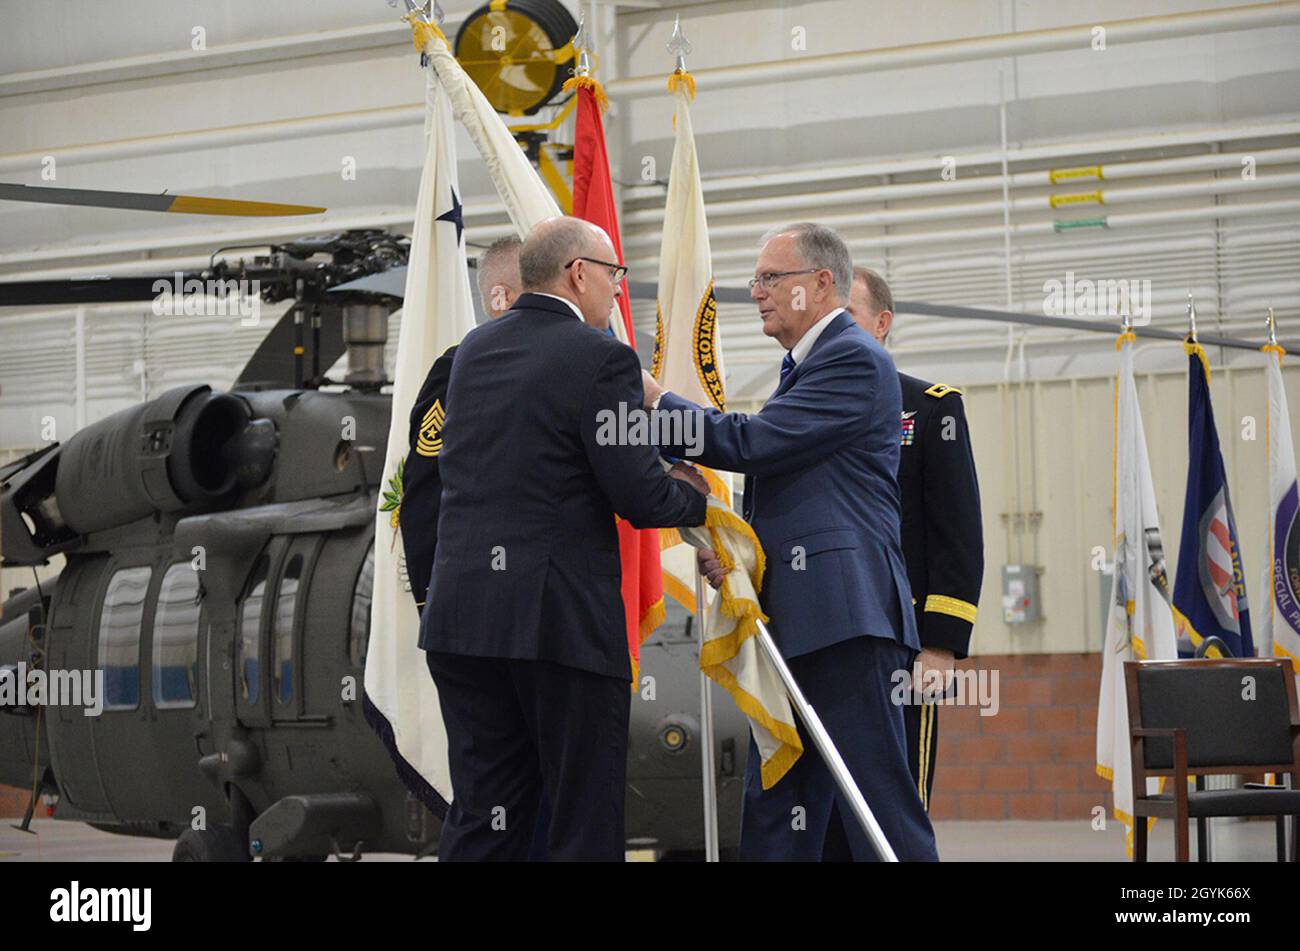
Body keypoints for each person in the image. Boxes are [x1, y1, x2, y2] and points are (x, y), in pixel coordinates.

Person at [643, 222, 938, 861]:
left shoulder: (852, 357)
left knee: (876, 806)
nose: (757, 293)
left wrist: (653, 399)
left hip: (842, 617)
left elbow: (752, 444)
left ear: (822, 282)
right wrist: (741, 560)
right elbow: (799, 495)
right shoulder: (805, 369)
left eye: (772, 279)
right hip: (802, 619)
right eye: (756, 280)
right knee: (783, 807)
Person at [419, 216, 709, 861]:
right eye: (614, 276)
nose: (616, 293)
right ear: (579, 273)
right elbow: (638, 493)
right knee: (583, 817)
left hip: (463, 625)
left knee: (486, 814)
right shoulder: (602, 357)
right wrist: (695, 491)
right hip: (558, 627)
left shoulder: (470, 354)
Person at [846, 265, 983, 812]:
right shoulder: (797, 407)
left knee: (895, 802)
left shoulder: (930, 409)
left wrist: (941, 643)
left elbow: (958, 533)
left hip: (903, 639)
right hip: (825, 635)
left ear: (882, 323)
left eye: (848, 317)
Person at [399, 234, 523, 610]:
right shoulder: (458, 371)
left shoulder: (564, 366)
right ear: (501, 297)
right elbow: (427, 488)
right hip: (480, 600)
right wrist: (430, 598)